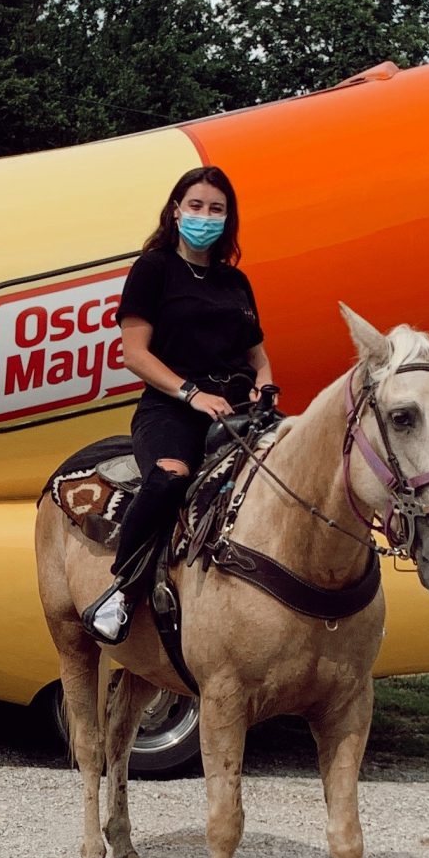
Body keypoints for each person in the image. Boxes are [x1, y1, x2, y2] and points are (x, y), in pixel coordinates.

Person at [85, 164, 273, 645]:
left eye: (216, 209)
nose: (205, 216)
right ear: (176, 211)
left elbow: (259, 357)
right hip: (172, 407)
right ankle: (123, 590)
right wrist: (192, 393)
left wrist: (263, 393)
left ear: (227, 219)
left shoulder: (236, 282)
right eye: (196, 206)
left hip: (239, 411)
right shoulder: (153, 269)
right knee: (170, 476)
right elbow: (135, 354)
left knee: (303, 474)